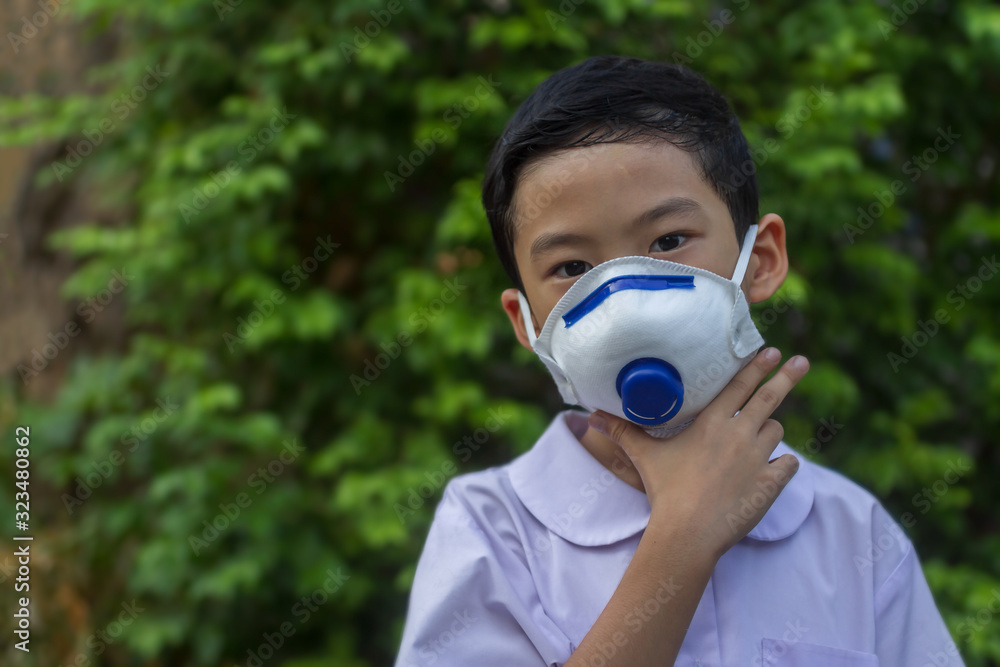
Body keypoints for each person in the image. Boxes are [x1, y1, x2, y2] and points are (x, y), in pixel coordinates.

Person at [394, 55, 963, 667]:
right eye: (572, 269)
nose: (626, 302)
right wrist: (682, 539)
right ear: (526, 324)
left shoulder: (851, 531)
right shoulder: (489, 529)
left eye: (668, 242)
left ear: (762, 259)